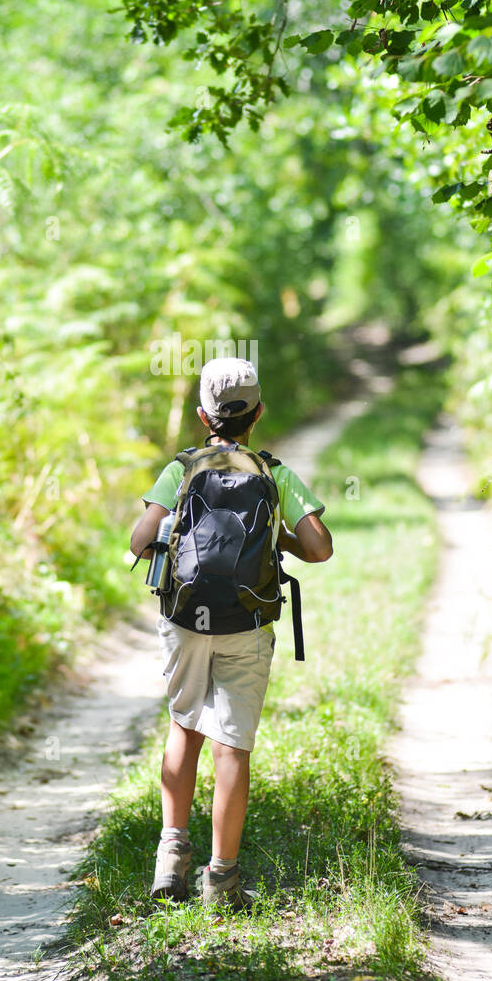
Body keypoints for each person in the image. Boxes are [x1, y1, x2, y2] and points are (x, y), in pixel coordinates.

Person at [130, 356, 333, 910]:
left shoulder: (181, 469)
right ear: (259, 412)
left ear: (202, 415)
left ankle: (171, 858)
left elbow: (138, 541)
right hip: (248, 620)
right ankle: (221, 880)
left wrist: (175, 538)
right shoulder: (273, 474)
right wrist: (279, 541)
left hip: (185, 617)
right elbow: (319, 548)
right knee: (231, 745)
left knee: (183, 727)